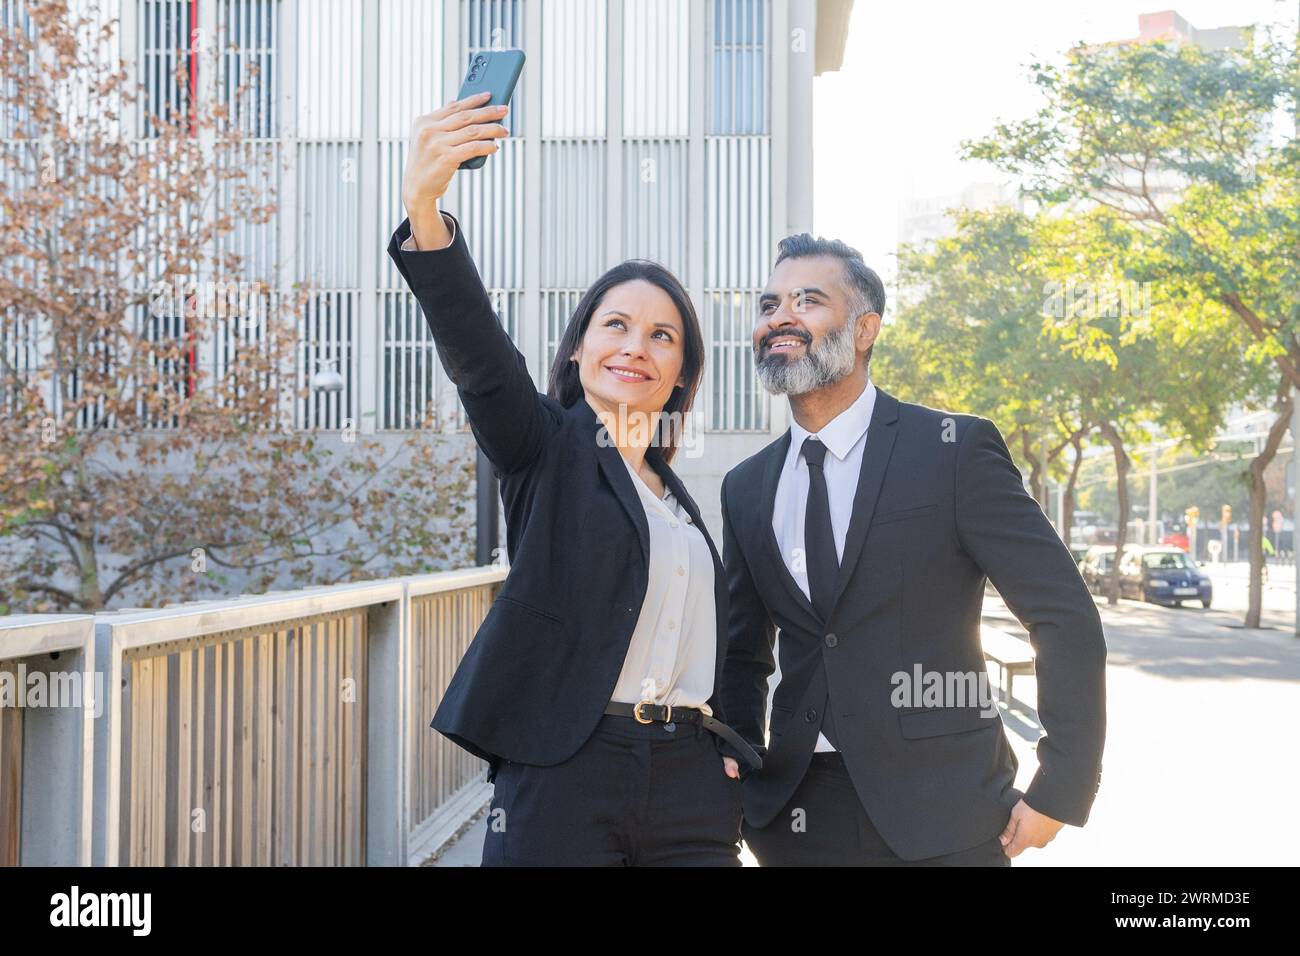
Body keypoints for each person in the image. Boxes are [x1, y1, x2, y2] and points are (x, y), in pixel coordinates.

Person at [387, 91, 761, 866]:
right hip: (568, 771)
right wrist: (426, 209)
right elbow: (478, 354)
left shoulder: (676, 498)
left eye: (663, 336)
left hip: (690, 782)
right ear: (579, 348)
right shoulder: (544, 446)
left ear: (681, 372)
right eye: (616, 325)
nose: (637, 346)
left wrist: (727, 744)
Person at [716, 232, 1107, 865]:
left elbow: (1063, 614)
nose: (780, 317)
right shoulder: (746, 487)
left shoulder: (954, 451)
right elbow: (742, 651)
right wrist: (736, 758)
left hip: (948, 815)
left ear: (865, 329)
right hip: (794, 815)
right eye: (769, 305)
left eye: (808, 301)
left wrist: (1060, 786)